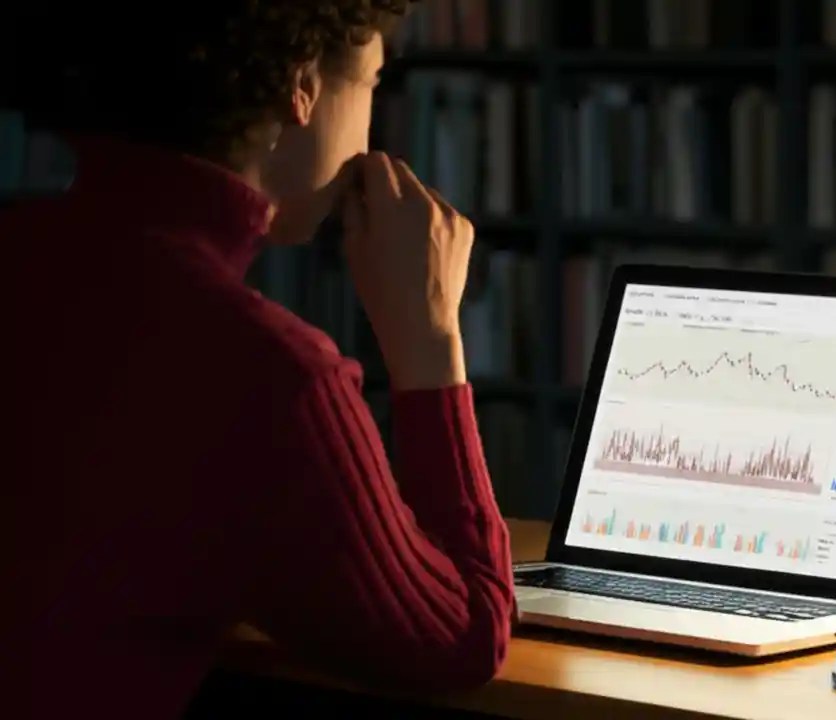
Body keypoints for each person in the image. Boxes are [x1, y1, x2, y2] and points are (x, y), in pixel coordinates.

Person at [0, 3, 514, 718]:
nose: (371, 134)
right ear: (300, 86)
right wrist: (430, 340)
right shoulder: (272, 380)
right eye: (369, 82)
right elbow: (462, 637)